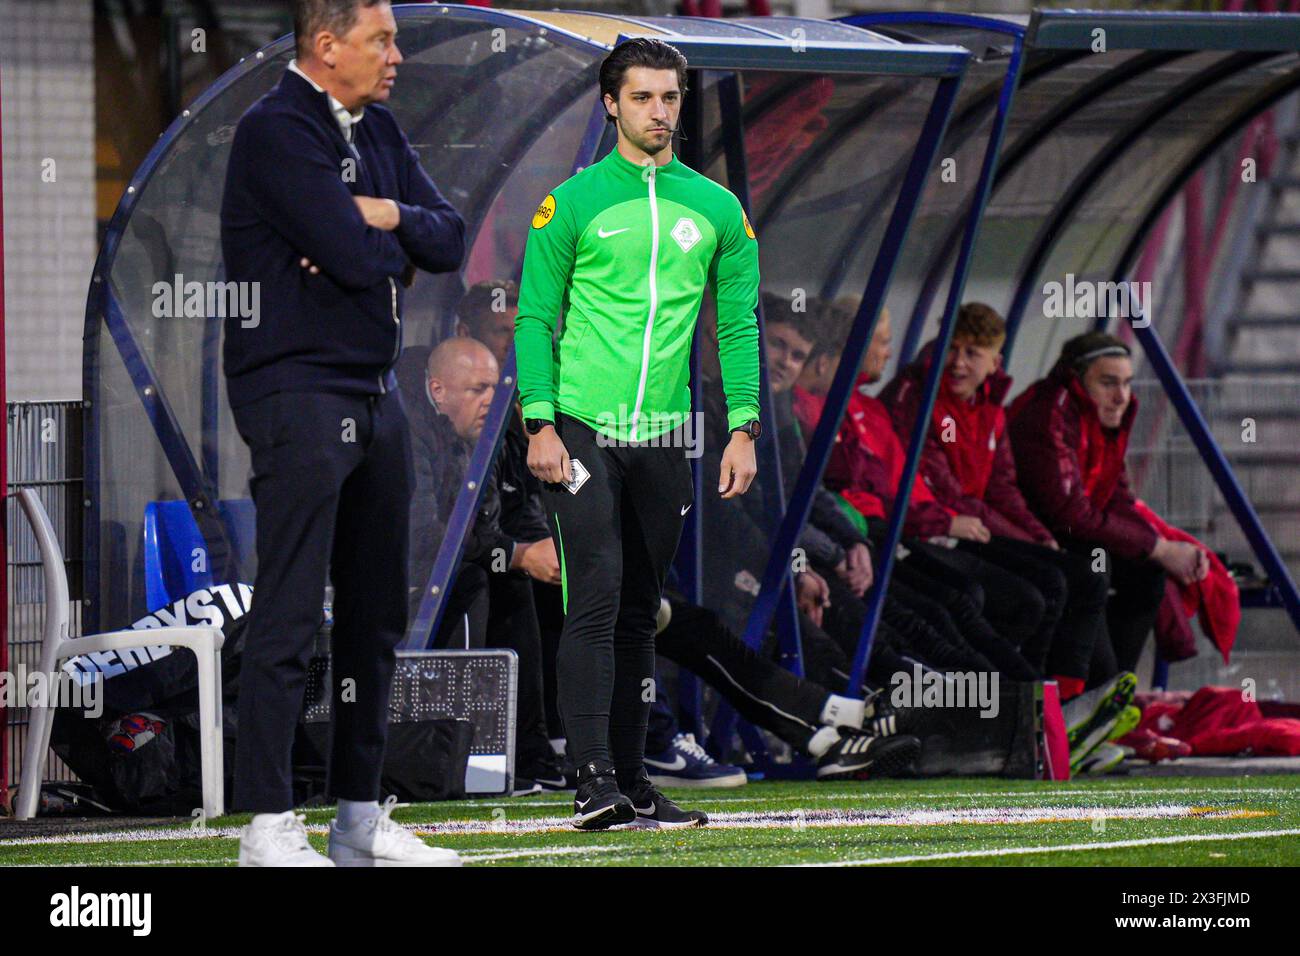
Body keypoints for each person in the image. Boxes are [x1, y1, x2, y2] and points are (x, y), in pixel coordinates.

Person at [220, 0, 464, 866]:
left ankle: (358, 816)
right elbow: (358, 259)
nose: (396, 54)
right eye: (381, 39)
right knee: (290, 607)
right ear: (327, 47)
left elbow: (448, 237)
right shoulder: (274, 131)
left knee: (375, 612)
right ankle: (266, 825)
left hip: (372, 384)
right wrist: (373, 239)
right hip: (295, 386)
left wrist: (385, 216)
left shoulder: (382, 127)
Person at [514, 38, 762, 830]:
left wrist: (744, 427)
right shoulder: (570, 203)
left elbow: (736, 325)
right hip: (583, 429)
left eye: (671, 98)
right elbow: (533, 319)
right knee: (594, 595)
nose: (661, 112)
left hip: (664, 437)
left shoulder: (718, 208)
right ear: (611, 104)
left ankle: (632, 777)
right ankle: (587, 779)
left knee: (639, 610)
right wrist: (540, 420)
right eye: (645, 98)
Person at [878, 303, 1109, 699]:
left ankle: (1070, 694)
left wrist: (1036, 535)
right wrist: (1026, 540)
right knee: (1045, 587)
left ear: (994, 362)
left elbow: (1001, 486)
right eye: (951, 349)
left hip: (973, 525)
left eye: (972, 354)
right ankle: (1037, 700)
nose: (957, 363)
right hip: (940, 528)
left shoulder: (989, 408)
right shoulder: (917, 398)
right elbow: (948, 492)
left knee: (1085, 574)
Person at [396, 337, 566, 792]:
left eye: (495, 388)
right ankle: (460, 751)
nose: (491, 400)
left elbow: (496, 521)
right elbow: (428, 537)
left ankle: (536, 752)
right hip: (401, 583)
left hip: (460, 570)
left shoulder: (485, 443)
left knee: (521, 584)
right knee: (476, 578)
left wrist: (536, 552)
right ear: (438, 391)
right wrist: (518, 554)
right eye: (477, 390)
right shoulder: (414, 438)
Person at [1007, 332, 1209, 679]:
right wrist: (1159, 547)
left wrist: (1162, 549)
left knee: (1145, 571)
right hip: (1033, 535)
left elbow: (1117, 496)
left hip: (1071, 534)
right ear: (1078, 382)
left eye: (1127, 384)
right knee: (1094, 569)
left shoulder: (1103, 417)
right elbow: (1068, 513)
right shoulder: (1048, 414)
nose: (1121, 397)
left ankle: (1116, 686)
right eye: (1108, 383)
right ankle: (1091, 687)